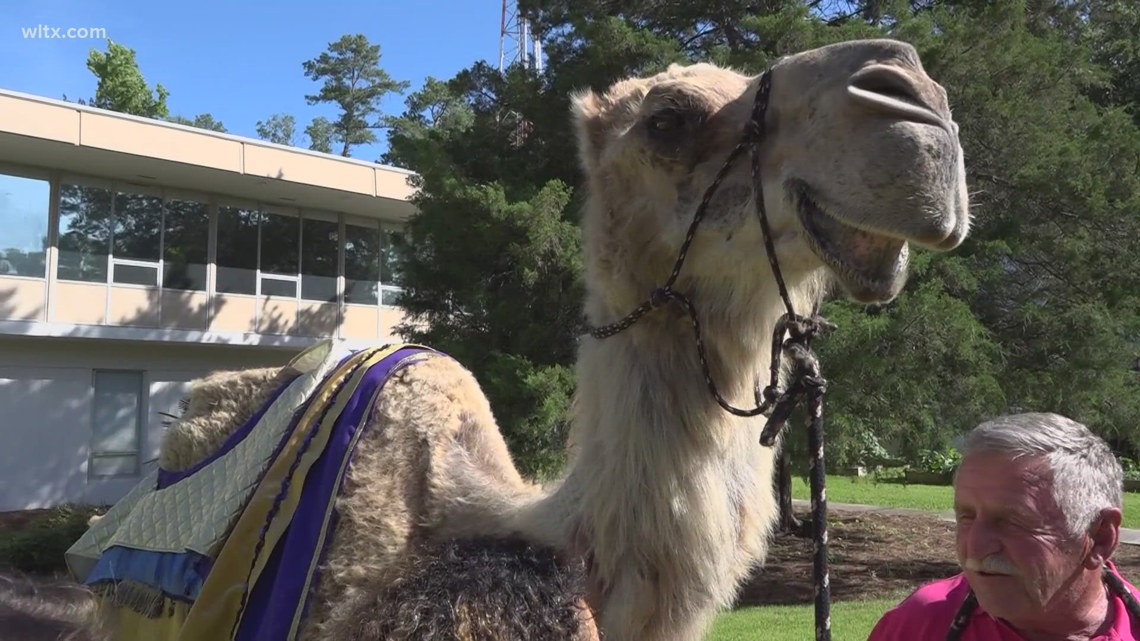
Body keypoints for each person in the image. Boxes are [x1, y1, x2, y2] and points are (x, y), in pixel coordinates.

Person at [868, 412, 1140, 641]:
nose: (974, 546)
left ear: (1100, 536)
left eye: (1012, 520)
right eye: (966, 516)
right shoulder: (921, 625)